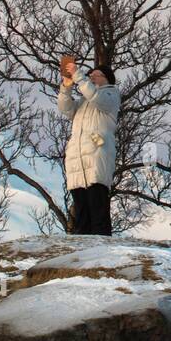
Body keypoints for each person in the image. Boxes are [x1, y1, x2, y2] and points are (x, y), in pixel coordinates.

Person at [58, 55, 120, 235]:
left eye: (97, 74)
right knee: (81, 212)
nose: (92, 76)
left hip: (96, 155)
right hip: (77, 159)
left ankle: (102, 249)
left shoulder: (110, 95)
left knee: (97, 206)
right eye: (90, 74)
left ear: (107, 79)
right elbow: (65, 108)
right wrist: (66, 88)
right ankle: (82, 253)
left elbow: (96, 97)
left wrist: (79, 76)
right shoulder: (83, 102)